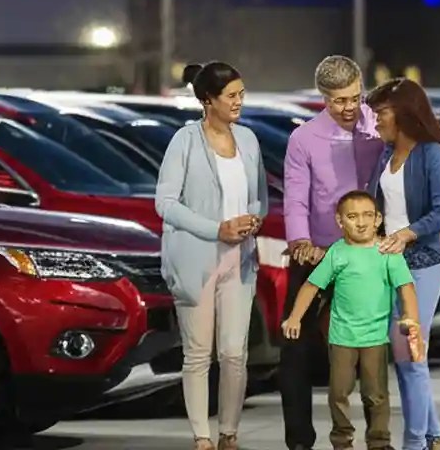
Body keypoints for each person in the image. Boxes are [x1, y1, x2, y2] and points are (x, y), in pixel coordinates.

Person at [156, 61, 269, 450]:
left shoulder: (249, 140)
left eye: (242, 93)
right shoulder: (185, 141)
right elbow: (166, 204)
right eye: (231, 95)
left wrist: (254, 218)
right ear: (208, 100)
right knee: (199, 354)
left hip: (240, 261)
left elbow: (260, 196)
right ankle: (202, 437)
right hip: (196, 261)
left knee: (235, 353)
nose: (240, 101)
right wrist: (216, 228)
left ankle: (229, 434)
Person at [279, 55, 384, 450]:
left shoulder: (377, 127)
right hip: (317, 255)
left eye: (355, 97)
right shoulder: (304, 139)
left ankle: (378, 437)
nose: (349, 108)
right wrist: (301, 243)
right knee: (295, 350)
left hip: (366, 256)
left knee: (372, 353)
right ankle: (300, 441)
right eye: (339, 100)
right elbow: (295, 200)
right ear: (323, 97)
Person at [282, 190, 423, 450]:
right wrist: (295, 318)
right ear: (339, 221)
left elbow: (406, 288)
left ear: (378, 219)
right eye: (353, 216)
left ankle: (379, 442)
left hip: (375, 339)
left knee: (376, 395)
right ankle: (342, 440)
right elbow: (311, 286)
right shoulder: (337, 252)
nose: (361, 222)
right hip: (341, 338)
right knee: (338, 394)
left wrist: (411, 319)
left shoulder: (388, 252)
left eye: (368, 215)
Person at [365, 78, 440, 450]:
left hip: (422, 262)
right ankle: (431, 436)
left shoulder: (431, 153)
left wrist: (407, 233)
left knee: (410, 353)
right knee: (404, 358)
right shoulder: (385, 156)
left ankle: (415, 442)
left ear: (403, 113)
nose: (377, 122)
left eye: (382, 113)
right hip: (387, 263)